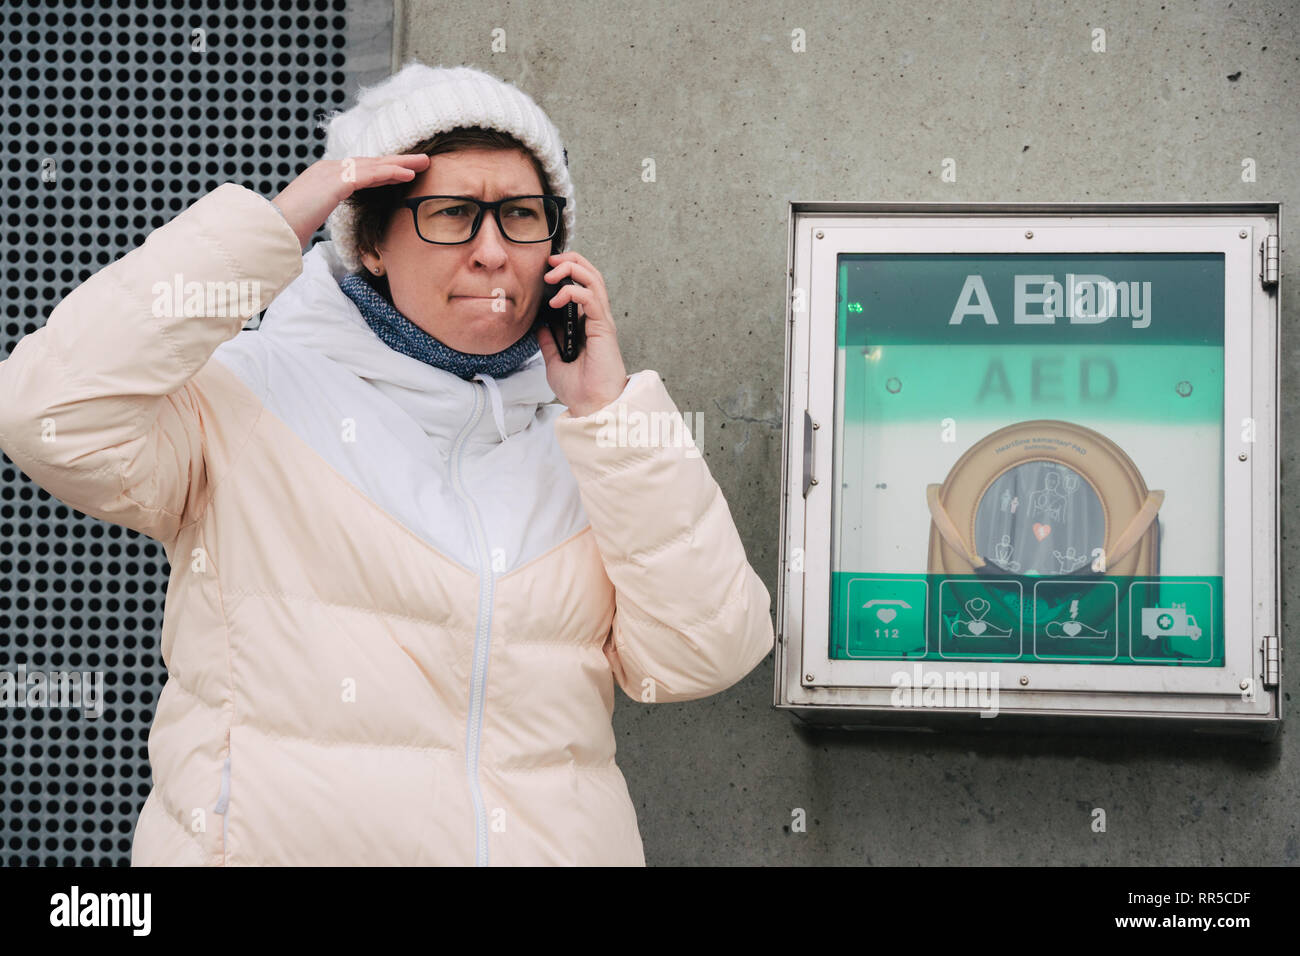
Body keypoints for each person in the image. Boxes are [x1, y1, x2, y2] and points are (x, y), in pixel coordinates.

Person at [0, 61, 774, 865]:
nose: (490, 251)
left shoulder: (590, 441)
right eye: (450, 214)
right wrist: (276, 226)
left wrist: (611, 416)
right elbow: (48, 411)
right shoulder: (251, 397)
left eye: (520, 215)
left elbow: (703, 655)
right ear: (368, 242)